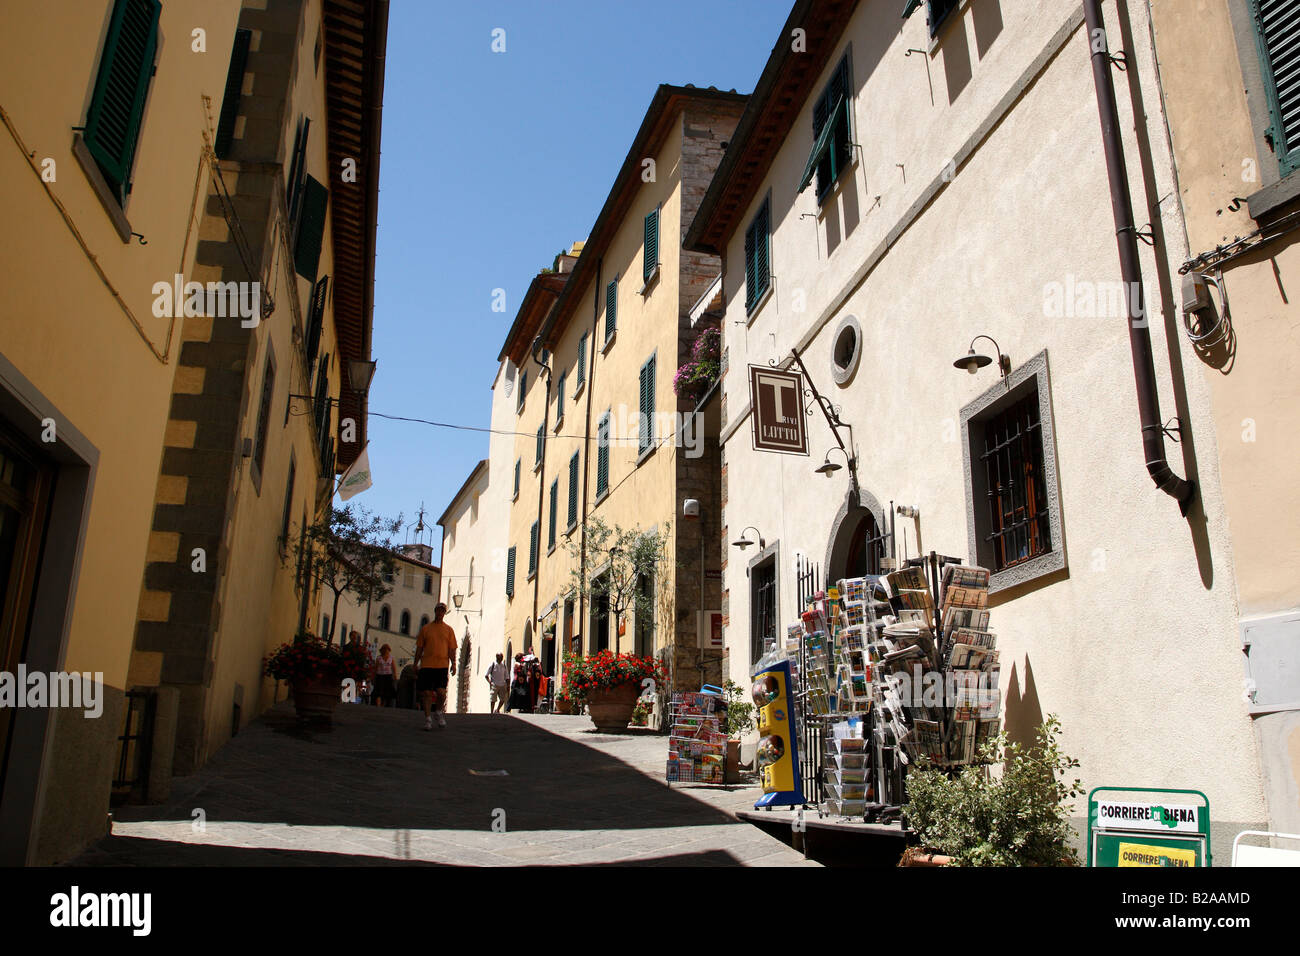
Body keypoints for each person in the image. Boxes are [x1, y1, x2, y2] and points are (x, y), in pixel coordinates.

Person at [413, 603, 457, 730]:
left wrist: (453, 663)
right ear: (435, 611)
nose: (440, 613)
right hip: (427, 665)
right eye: (438, 610)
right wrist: (416, 663)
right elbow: (420, 648)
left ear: (444, 613)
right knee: (426, 693)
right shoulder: (426, 629)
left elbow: (452, 649)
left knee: (441, 693)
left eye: (442, 611)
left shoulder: (449, 630)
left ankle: (438, 711)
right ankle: (428, 719)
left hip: (442, 665)